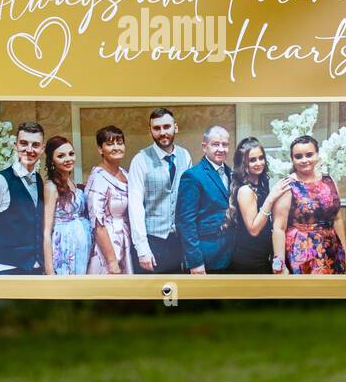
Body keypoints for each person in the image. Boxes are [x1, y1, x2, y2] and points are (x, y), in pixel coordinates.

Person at [0, 122, 46, 275]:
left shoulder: (38, 179)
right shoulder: (0, 181)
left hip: (35, 267)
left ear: (42, 149)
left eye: (35, 145)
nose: (29, 150)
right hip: (4, 269)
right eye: (24, 143)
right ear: (15, 145)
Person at [126, 108, 192, 274]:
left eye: (166, 126)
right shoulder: (140, 160)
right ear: (151, 131)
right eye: (157, 128)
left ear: (175, 127)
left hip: (178, 241)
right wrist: (142, 248)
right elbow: (135, 206)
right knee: (151, 297)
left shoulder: (185, 156)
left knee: (176, 295)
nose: (162, 132)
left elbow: (188, 202)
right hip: (152, 241)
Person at [272, 136, 346, 274]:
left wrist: (344, 252)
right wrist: (280, 266)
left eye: (309, 155)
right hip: (299, 253)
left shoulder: (329, 181)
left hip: (331, 250)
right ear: (292, 159)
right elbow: (278, 228)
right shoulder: (288, 185)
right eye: (298, 156)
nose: (304, 160)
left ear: (317, 155)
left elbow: (337, 219)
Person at [223, 137, 296, 274]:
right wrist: (271, 197)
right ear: (243, 164)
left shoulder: (261, 185)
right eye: (252, 160)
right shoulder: (245, 190)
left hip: (262, 257)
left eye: (261, 158)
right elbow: (254, 229)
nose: (259, 163)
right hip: (247, 261)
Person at [175, 125, 236, 273]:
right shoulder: (193, 176)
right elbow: (185, 223)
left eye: (225, 145)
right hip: (206, 257)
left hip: (231, 255)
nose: (221, 149)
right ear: (204, 146)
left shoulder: (232, 173)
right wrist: (195, 262)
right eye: (215, 144)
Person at [85, 125, 134, 274]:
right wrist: (112, 261)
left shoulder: (125, 174)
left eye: (119, 142)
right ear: (100, 149)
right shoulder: (98, 178)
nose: (116, 147)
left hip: (125, 238)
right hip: (106, 245)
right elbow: (97, 223)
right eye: (110, 143)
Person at [41, 136, 93, 275]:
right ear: (52, 160)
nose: (68, 159)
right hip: (64, 248)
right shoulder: (51, 187)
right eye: (61, 156)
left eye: (71, 153)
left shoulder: (71, 182)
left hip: (82, 249)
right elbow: (46, 230)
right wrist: (49, 270)